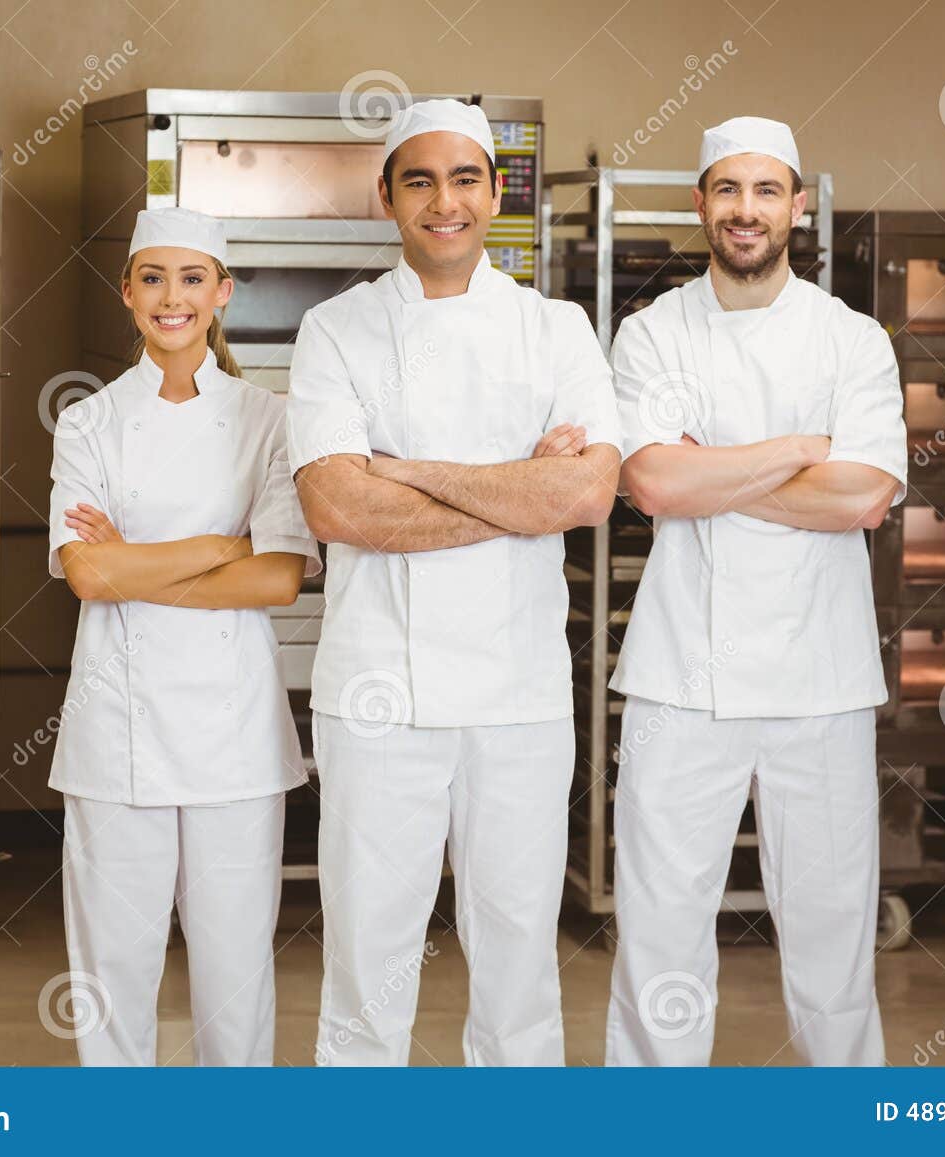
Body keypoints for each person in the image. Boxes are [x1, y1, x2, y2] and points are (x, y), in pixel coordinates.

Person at [286, 98, 621, 1066]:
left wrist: (403, 470)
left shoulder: (555, 327)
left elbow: (588, 492)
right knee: (368, 950)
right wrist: (520, 489)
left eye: (465, 178)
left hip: (518, 689)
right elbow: (336, 508)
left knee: (519, 955)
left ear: (495, 192)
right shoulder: (337, 329)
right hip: (378, 688)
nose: (445, 202)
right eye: (421, 181)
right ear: (386, 195)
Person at [603, 116, 907, 1066]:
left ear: (798, 206)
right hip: (680, 675)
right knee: (660, 925)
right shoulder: (652, 333)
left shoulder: (851, 340)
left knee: (832, 931)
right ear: (701, 204)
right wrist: (799, 451)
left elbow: (863, 498)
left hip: (821, 677)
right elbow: (652, 483)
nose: (747, 210)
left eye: (767, 190)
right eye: (728, 189)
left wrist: (715, 471)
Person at [46, 206, 319, 1066]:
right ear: (126, 292)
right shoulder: (88, 422)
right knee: (112, 977)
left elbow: (278, 578)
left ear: (222, 292)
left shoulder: (269, 420)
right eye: (154, 279)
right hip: (114, 733)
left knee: (235, 982)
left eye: (193, 279)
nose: (173, 298)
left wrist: (132, 562)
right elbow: (86, 576)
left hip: (234, 740)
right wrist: (218, 547)